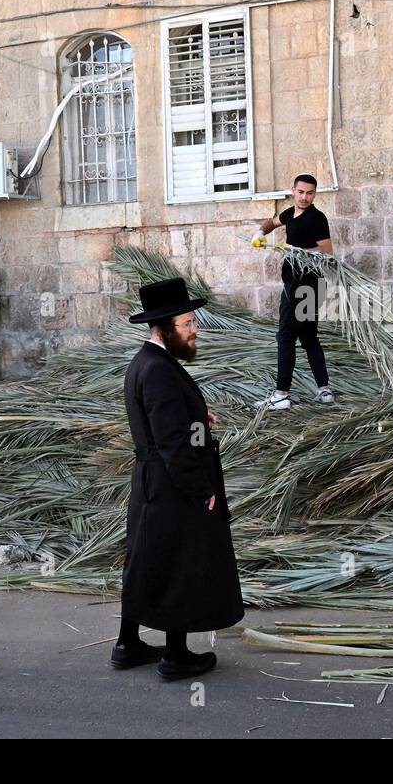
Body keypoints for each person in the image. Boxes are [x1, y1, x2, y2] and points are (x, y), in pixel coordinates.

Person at [115, 277, 244, 680]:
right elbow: (171, 442)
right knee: (180, 563)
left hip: (153, 483)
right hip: (173, 485)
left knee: (145, 561)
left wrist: (196, 419)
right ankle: (176, 657)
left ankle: (127, 644)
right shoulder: (158, 369)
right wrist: (200, 490)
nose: (194, 330)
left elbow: (165, 424)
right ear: (165, 328)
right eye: (187, 323)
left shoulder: (149, 362)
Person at [252, 173, 335, 410]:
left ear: (314, 194)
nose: (305, 197)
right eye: (301, 192)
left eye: (310, 193)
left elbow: (327, 252)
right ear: (293, 190)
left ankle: (281, 395)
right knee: (308, 337)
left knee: (286, 336)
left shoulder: (317, 218)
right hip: (298, 284)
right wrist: (259, 234)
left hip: (305, 285)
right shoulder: (291, 213)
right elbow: (273, 221)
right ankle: (324, 390)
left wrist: (295, 250)